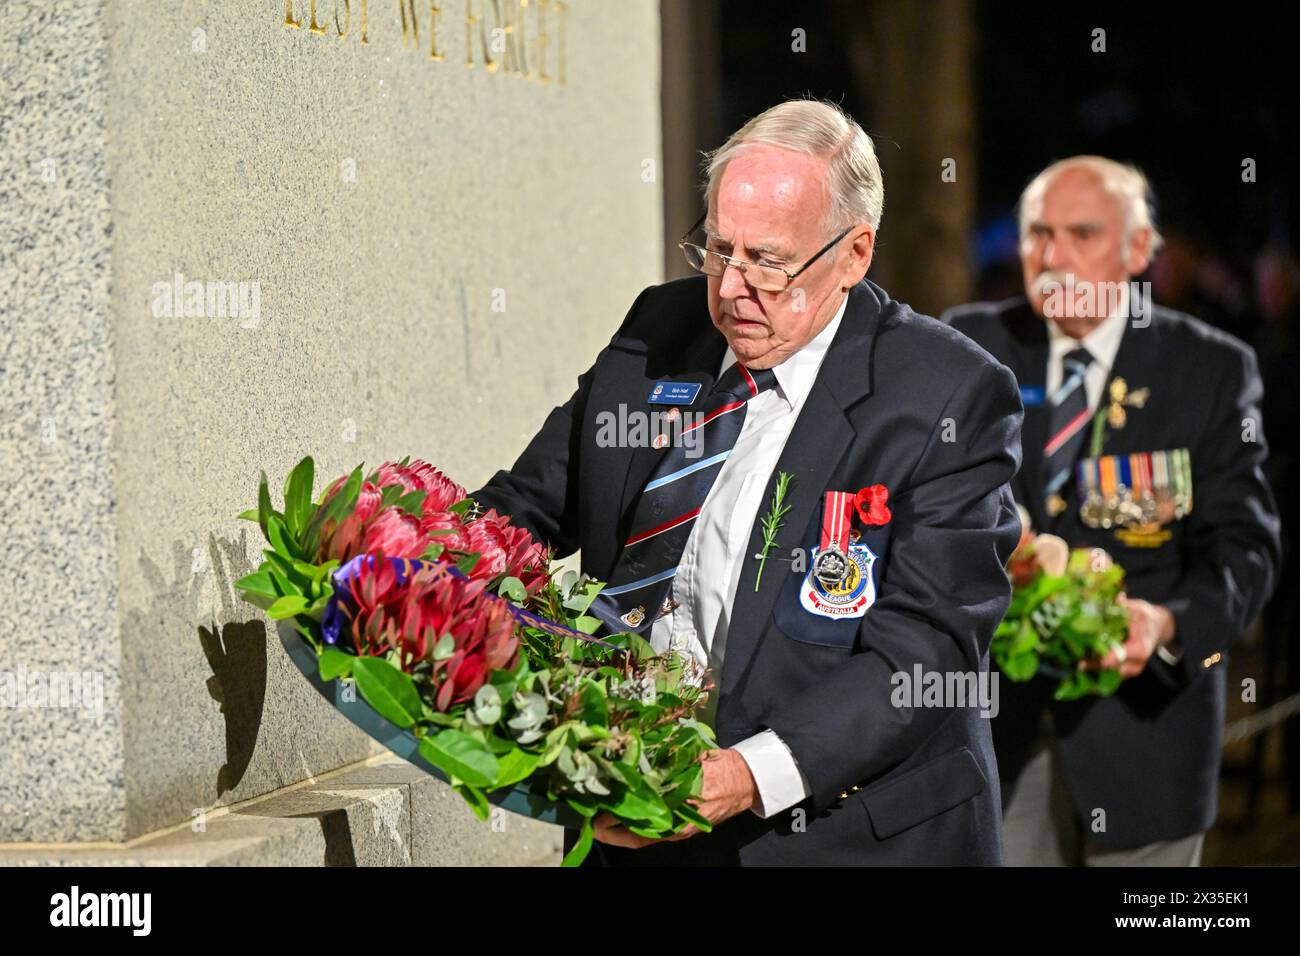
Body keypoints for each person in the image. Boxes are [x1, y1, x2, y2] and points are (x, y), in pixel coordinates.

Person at [470, 99, 1024, 865]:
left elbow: (926, 655)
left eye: (769, 262)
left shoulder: (947, 395)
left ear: (855, 254)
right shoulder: (659, 332)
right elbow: (526, 506)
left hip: (844, 836)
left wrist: (743, 774)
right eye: (718, 250)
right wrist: (407, 558)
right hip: (631, 816)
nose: (732, 289)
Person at [945, 156, 1282, 865]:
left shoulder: (1209, 368)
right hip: (992, 734)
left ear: (1137, 251)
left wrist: (1167, 624)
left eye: (1081, 234)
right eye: (1038, 234)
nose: (1053, 256)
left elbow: (1246, 549)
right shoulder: (969, 346)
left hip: (1145, 739)